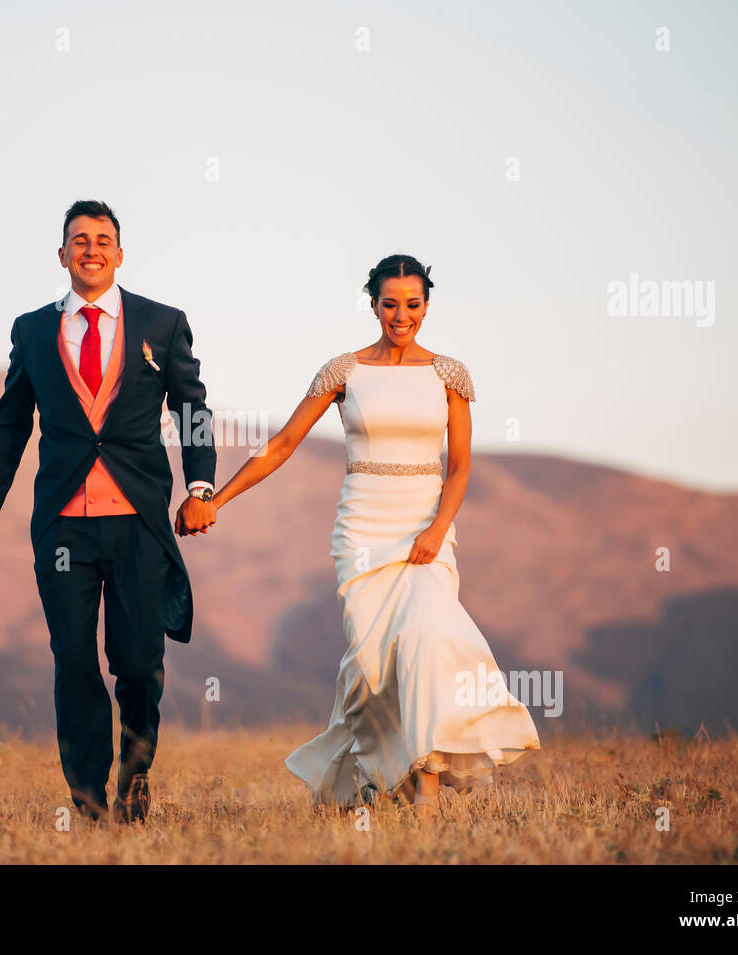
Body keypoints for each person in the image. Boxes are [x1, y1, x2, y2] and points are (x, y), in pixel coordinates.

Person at [189, 253, 540, 820]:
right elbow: (281, 446)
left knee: (430, 638)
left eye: (414, 304)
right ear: (372, 303)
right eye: (390, 303)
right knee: (374, 668)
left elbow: (460, 469)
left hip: (426, 527)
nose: (402, 315)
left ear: (427, 305)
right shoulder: (343, 371)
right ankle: (384, 771)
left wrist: (436, 530)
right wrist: (214, 499)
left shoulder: (450, 374)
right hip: (362, 530)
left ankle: (427, 790)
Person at [0, 200, 217, 824]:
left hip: (137, 519)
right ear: (62, 256)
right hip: (62, 526)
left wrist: (201, 486)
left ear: (120, 253)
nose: (91, 249)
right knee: (74, 657)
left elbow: (192, 408)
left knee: (136, 662)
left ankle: (136, 774)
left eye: (103, 239)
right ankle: (86, 798)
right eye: (79, 240)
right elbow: (10, 422)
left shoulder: (161, 323)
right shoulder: (32, 329)